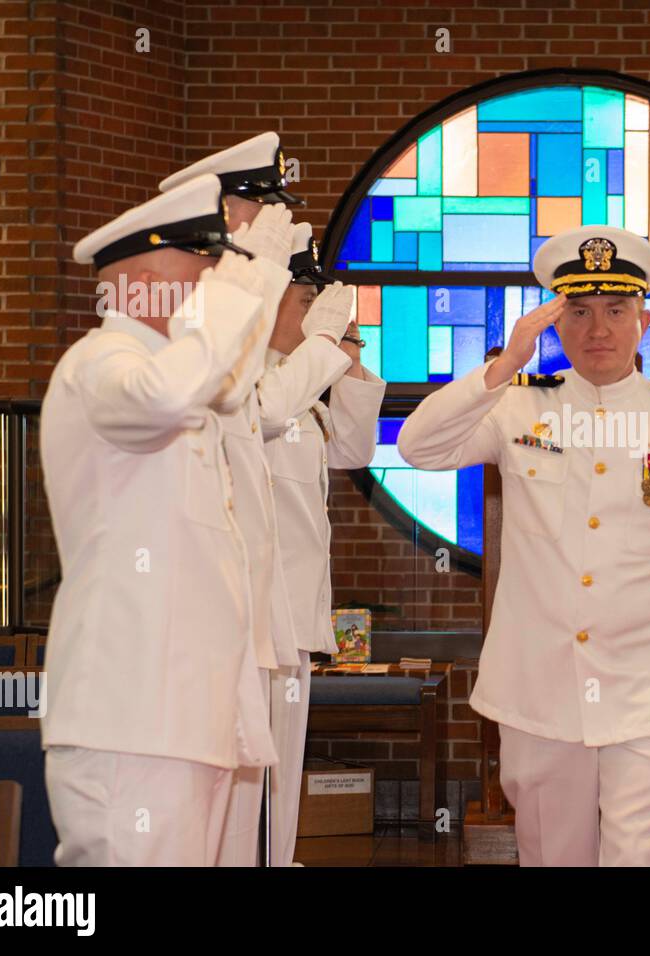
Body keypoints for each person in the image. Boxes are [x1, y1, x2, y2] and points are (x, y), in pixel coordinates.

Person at [397, 225, 650, 866]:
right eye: (578, 312)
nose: (597, 329)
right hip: (541, 690)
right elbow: (420, 447)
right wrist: (503, 366)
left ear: (644, 319)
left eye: (615, 311)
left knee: (638, 853)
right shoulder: (520, 408)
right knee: (553, 855)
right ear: (555, 323)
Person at [41, 174, 272, 865]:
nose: (210, 281)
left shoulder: (170, 376)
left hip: (180, 721)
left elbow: (221, 385)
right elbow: (166, 397)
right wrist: (231, 298)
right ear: (141, 281)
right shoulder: (102, 363)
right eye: (200, 267)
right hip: (132, 719)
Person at [160, 132, 334, 865]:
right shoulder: (192, 325)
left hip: (270, 606)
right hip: (220, 609)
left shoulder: (232, 329)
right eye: (257, 215)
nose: (270, 232)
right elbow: (255, 410)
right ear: (224, 213)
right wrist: (318, 344)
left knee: (260, 806)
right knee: (225, 803)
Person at [260, 223, 386, 865]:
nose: (317, 319)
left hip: (297, 611)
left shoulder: (296, 384)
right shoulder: (251, 384)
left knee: (284, 761)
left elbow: (354, 449)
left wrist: (349, 358)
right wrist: (320, 352)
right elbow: (264, 415)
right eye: (306, 303)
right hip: (253, 614)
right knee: (249, 767)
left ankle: (277, 857)